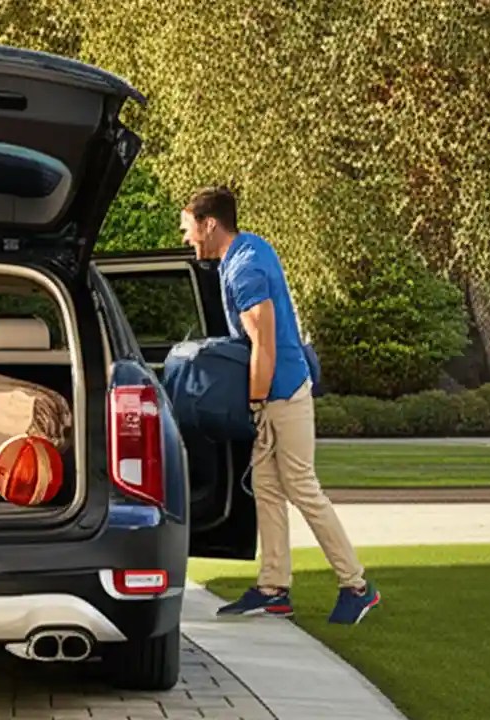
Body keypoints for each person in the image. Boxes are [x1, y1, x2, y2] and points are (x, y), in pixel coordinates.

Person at [180, 186, 381, 625]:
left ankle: (357, 586)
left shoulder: (245, 270)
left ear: (209, 224)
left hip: (283, 394)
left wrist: (255, 404)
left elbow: (264, 344)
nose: (186, 238)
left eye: (188, 228)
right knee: (268, 490)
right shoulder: (248, 250)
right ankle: (273, 588)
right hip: (279, 391)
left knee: (302, 488)